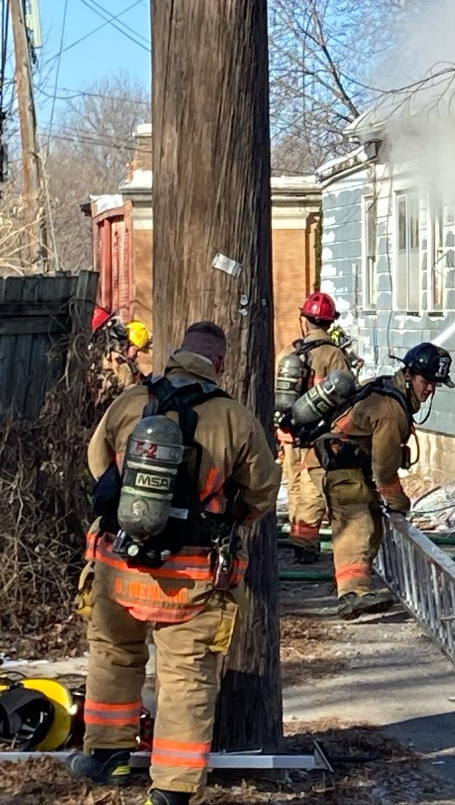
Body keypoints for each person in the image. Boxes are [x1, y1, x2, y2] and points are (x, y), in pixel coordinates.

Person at [66, 321, 280, 805]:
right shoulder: (234, 418)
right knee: (186, 677)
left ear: (176, 353)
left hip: (119, 568)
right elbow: (263, 489)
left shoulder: (131, 402)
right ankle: (173, 790)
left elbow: (97, 460)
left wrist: (133, 514)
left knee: (115, 655)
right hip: (193, 578)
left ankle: (107, 755)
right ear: (219, 365)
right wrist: (227, 520)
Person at [306, 341, 453, 619]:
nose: (431, 389)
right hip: (337, 465)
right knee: (357, 523)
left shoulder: (391, 392)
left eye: (436, 384)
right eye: (427, 381)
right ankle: (352, 595)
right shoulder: (389, 409)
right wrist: (398, 501)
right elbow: (384, 469)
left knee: (371, 523)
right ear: (409, 375)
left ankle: (352, 589)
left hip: (344, 465)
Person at [277, 292, 352, 565]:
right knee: (312, 488)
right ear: (330, 323)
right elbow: (347, 396)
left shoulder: (289, 352)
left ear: (304, 320)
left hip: (288, 434)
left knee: (295, 485)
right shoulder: (334, 356)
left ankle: (299, 538)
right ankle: (305, 545)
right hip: (317, 436)